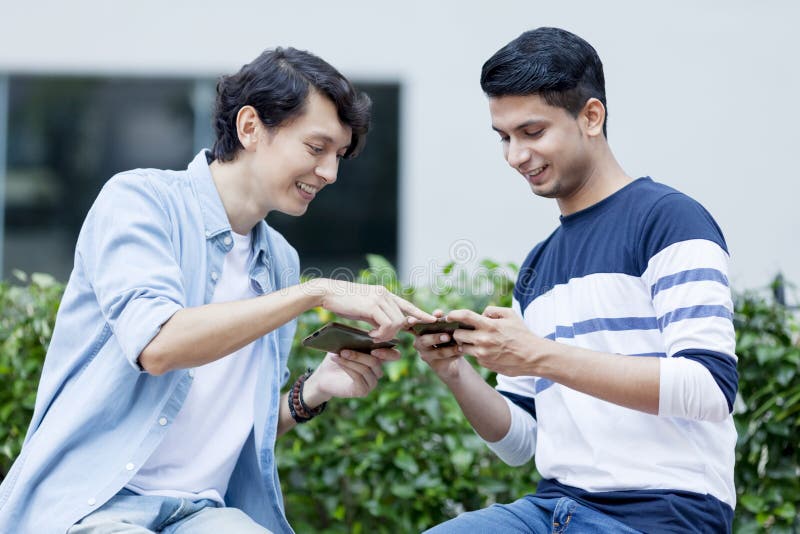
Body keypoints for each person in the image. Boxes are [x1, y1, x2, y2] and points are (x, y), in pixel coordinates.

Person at [0, 47, 435, 533]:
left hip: (202, 515)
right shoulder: (140, 201)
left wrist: (312, 392)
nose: (331, 173)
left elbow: (223, 428)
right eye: (316, 148)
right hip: (93, 507)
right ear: (250, 127)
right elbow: (159, 346)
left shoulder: (280, 262)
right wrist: (312, 294)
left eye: (339, 156)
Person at [413, 27, 738, 533]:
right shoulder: (538, 266)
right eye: (504, 137)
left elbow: (709, 387)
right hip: (552, 510)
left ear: (591, 116)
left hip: (664, 513)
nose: (515, 156)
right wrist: (455, 372)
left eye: (532, 132)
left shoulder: (670, 220)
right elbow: (521, 443)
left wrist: (536, 354)